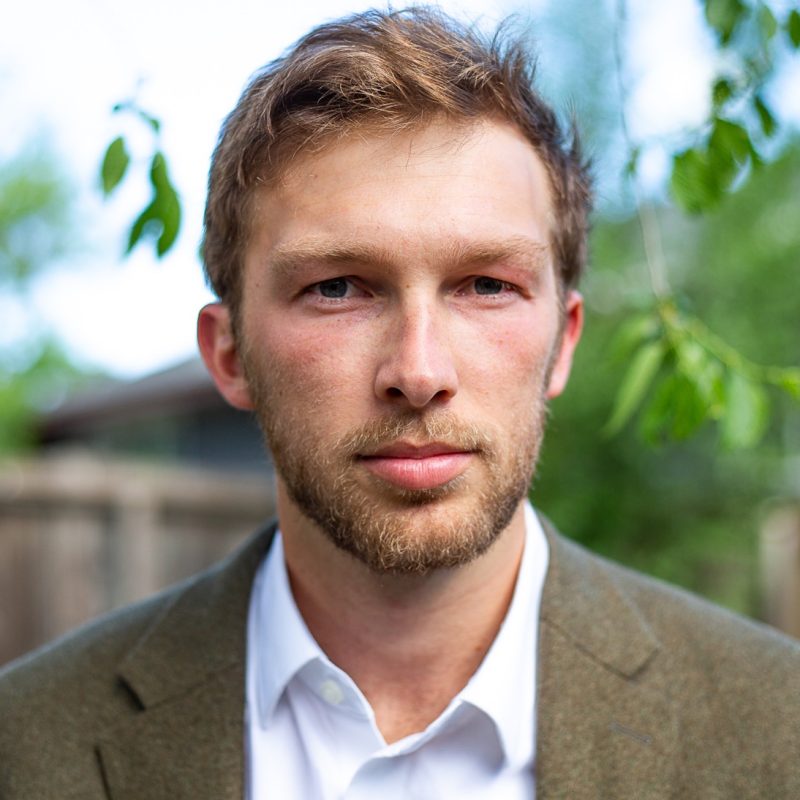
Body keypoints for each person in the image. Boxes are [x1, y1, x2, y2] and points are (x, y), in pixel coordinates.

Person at [1, 8, 798, 799]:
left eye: (487, 285)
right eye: (337, 288)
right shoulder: (27, 744)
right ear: (230, 354)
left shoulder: (776, 730)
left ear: (562, 342)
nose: (418, 372)